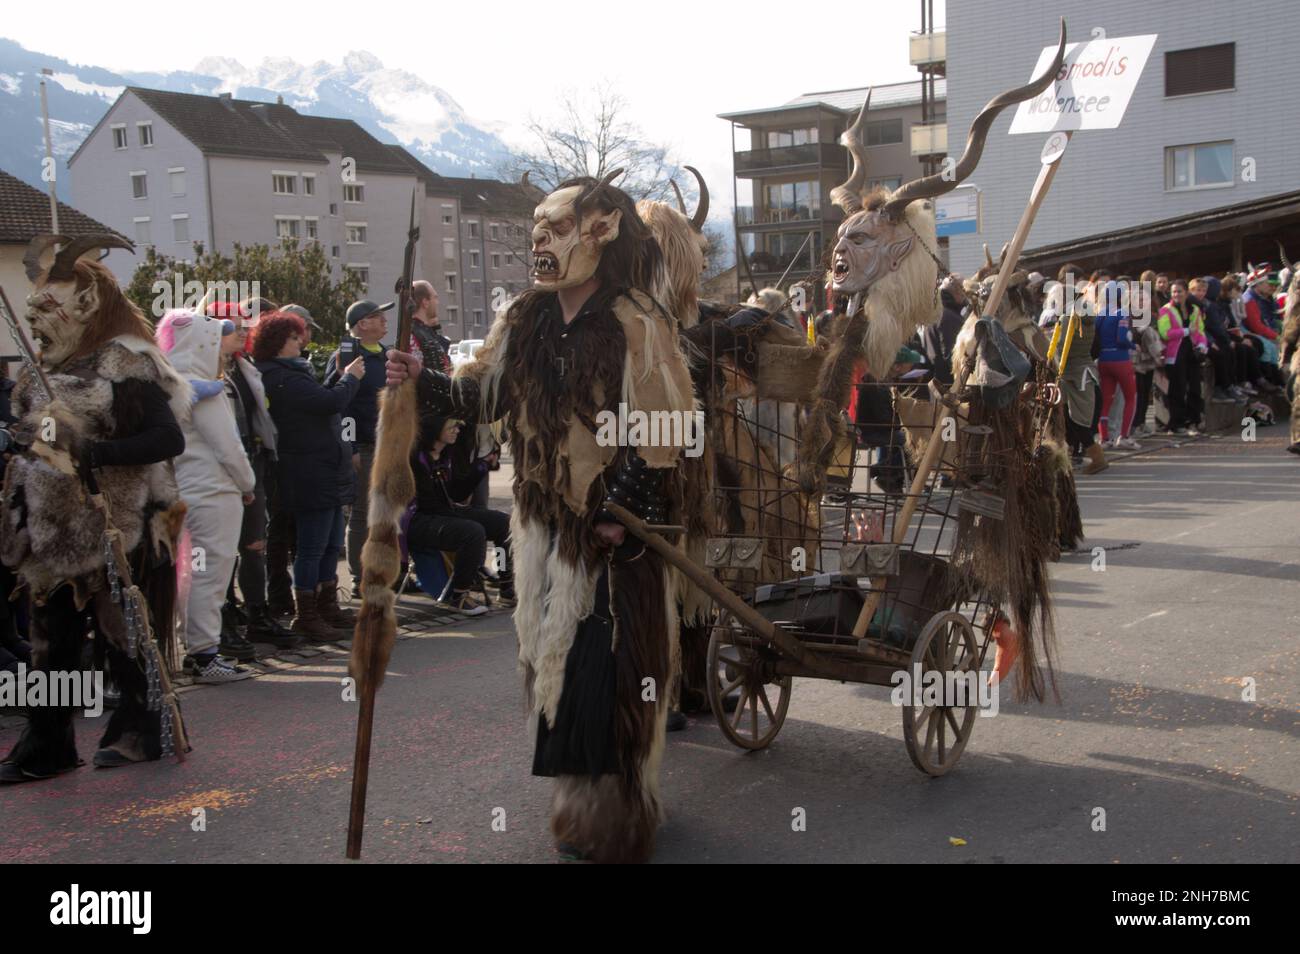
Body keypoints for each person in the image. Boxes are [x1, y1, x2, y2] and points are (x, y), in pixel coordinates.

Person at [384, 173, 696, 863]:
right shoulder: (524, 318)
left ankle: (616, 813)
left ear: (600, 234)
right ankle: (579, 805)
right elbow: (482, 397)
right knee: (553, 664)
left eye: (557, 230)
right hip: (544, 524)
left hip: (613, 534)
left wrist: (628, 509)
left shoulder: (636, 319)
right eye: (537, 231)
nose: (541, 243)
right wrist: (420, 378)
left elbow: (668, 424)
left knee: (608, 671)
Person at [3, 236, 189, 780]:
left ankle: (139, 728)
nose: (37, 319)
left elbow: (166, 439)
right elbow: (34, 439)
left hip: (116, 528)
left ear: (86, 305)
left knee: (124, 636)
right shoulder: (41, 371)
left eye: (48, 308)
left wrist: (94, 454)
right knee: (49, 644)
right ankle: (47, 744)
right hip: (48, 531)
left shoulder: (125, 365)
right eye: (33, 308)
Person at [155, 310, 257, 679]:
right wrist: (248, 484)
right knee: (210, 575)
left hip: (184, 494)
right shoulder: (206, 390)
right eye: (218, 342)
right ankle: (204, 654)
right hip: (214, 495)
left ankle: (192, 647)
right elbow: (229, 447)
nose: (225, 350)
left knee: (190, 574)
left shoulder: (168, 384)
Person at [255, 311, 364, 640]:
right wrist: (350, 379)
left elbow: (320, 399)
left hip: (322, 470)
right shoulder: (280, 376)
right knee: (312, 546)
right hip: (307, 472)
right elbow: (329, 402)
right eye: (292, 337)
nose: (300, 341)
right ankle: (307, 614)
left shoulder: (292, 373)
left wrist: (339, 380)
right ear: (276, 343)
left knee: (330, 542)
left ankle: (326, 605)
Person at [215, 303, 301, 650]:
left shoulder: (244, 367)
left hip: (255, 462)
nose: (240, 332)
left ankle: (257, 614)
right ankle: (221, 621)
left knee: (254, 545)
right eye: (230, 327)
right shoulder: (207, 372)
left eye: (241, 326)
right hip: (222, 472)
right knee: (219, 552)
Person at [407, 412, 513, 612]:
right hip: (419, 520)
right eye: (452, 427)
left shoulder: (447, 453)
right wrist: (457, 511)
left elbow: (455, 493)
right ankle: (459, 595)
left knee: (504, 524)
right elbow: (429, 503)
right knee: (472, 532)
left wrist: (481, 468)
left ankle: (505, 580)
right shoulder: (416, 457)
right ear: (436, 431)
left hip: (444, 512)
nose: (457, 431)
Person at [326, 300, 392, 599]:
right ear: (362, 324)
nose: (385, 322)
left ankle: (382, 570)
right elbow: (342, 407)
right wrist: (350, 446)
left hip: (388, 444)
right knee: (362, 514)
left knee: (385, 513)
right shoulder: (347, 356)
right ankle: (357, 575)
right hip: (363, 445)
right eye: (378, 317)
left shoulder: (388, 355)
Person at [1156, 280, 1207, 435]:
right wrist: (1185, 331)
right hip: (1175, 354)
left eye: (1179, 291)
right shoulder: (1165, 310)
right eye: (1173, 292)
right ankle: (1178, 423)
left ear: (1186, 292)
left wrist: (1203, 344)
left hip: (1192, 352)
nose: (1176, 294)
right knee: (1177, 389)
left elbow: (1199, 330)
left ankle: (1194, 421)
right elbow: (1165, 333)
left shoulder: (1195, 309)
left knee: (1195, 388)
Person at [1095, 280, 1139, 449]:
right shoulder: (1122, 313)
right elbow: (1122, 338)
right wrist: (1134, 345)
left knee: (1106, 401)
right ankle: (1124, 436)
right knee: (1130, 398)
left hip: (1103, 359)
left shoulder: (1101, 314)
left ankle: (1104, 438)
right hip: (1120, 359)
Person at [922, 274, 966, 387]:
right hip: (949, 387)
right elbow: (952, 357)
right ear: (954, 292)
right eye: (964, 290)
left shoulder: (938, 314)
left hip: (938, 384)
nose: (966, 295)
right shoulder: (948, 317)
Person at [408, 281, 451, 374]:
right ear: (425, 302)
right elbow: (418, 375)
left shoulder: (427, 332)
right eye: (435, 298)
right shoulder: (412, 335)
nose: (437, 302)